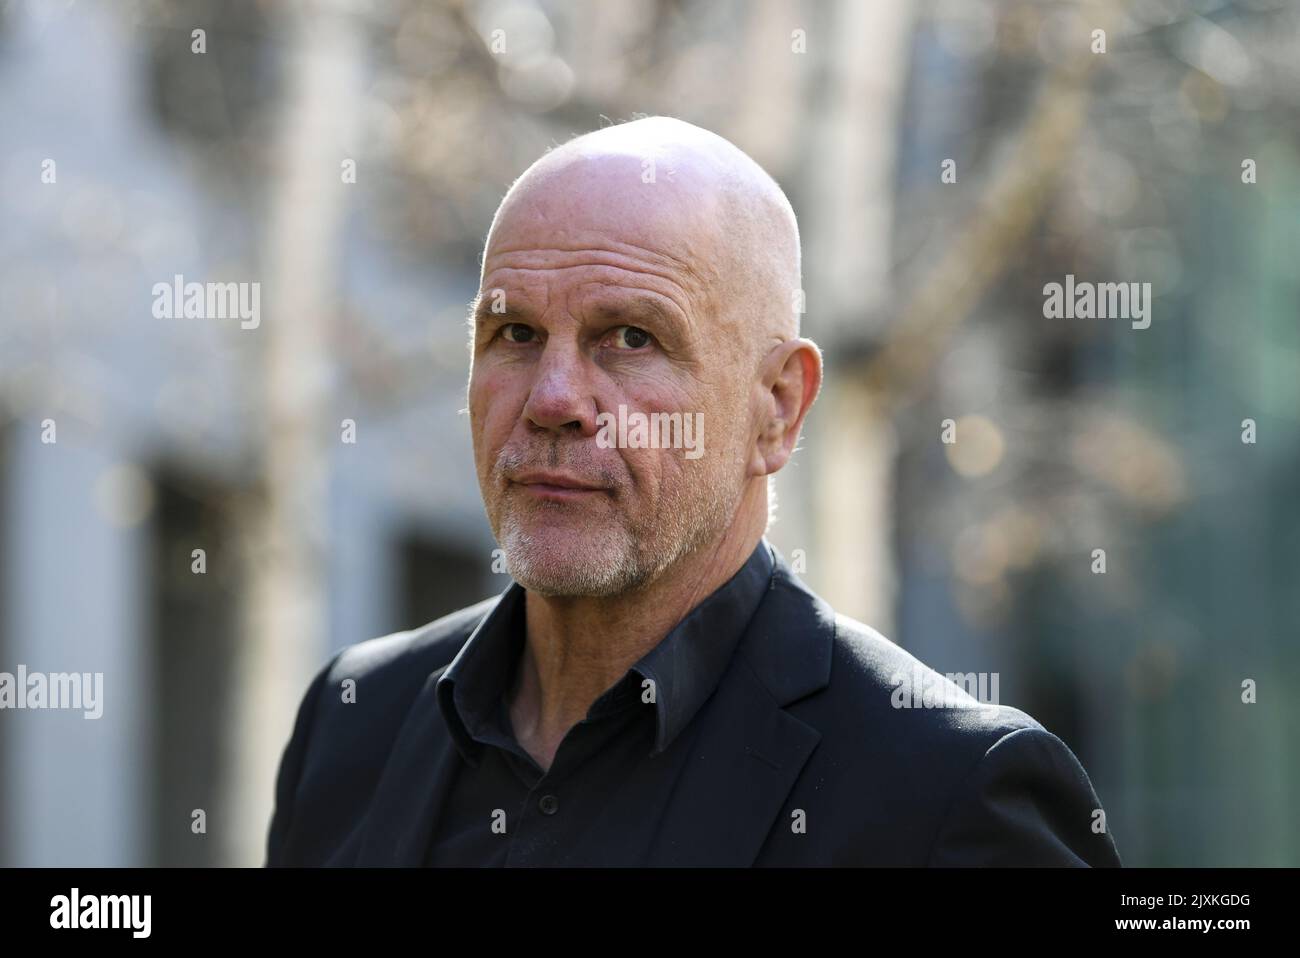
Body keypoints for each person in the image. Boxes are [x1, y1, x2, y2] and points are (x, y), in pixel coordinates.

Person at [265, 116, 1121, 867]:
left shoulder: (948, 793)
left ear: (777, 406)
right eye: (515, 332)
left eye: (630, 338)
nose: (554, 399)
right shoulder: (353, 724)